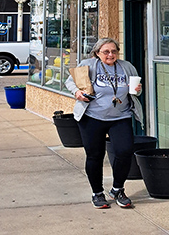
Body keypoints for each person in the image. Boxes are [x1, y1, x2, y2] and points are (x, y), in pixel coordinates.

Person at [65, 37, 143, 209]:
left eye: (114, 51)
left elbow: (135, 90)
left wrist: (137, 90)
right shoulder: (89, 65)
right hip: (92, 117)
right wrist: (77, 92)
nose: (110, 54)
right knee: (95, 155)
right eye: (106, 51)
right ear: (97, 53)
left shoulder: (126, 66)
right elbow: (70, 81)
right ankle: (97, 193)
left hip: (120, 116)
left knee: (124, 151)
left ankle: (117, 189)